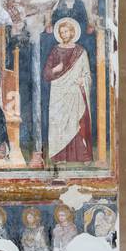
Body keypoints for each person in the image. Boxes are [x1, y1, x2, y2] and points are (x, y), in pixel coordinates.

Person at [43, 17, 93, 163]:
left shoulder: (80, 52)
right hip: (58, 92)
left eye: (66, 31)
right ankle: (60, 156)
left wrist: (82, 81)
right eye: (62, 32)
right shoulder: (55, 50)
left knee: (74, 122)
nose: (64, 34)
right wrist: (55, 69)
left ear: (72, 33)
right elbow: (46, 74)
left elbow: (87, 74)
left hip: (74, 92)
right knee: (59, 123)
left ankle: (82, 156)